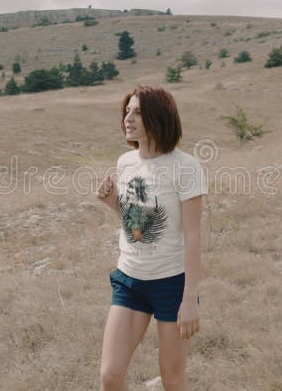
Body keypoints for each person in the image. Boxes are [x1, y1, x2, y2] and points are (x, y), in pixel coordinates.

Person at [96, 85, 207, 391]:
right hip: (130, 280)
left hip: (171, 284)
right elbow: (138, 226)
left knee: (172, 379)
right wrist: (114, 202)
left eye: (138, 112)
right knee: (110, 375)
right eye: (127, 111)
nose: (128, 118)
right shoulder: (126, 163)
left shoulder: (185, 167)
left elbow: (193, 235)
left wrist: (189, 299)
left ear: (159, 116)